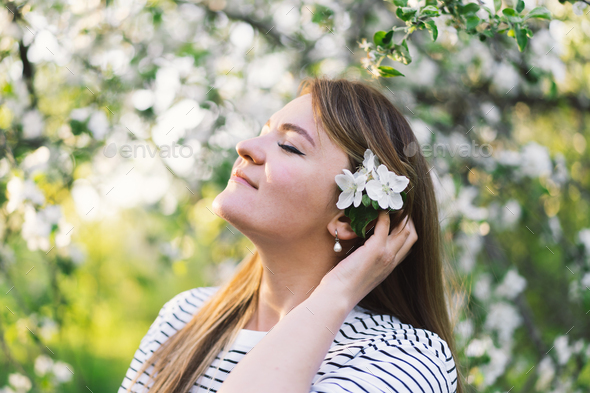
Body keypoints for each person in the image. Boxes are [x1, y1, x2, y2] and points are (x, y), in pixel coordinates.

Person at [120, 77, 464, 393]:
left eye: (289, 146)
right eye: (263, 131)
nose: (246, 146)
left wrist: (336, 293)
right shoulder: (186, 316)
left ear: (347, 217)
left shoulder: (402, 358)